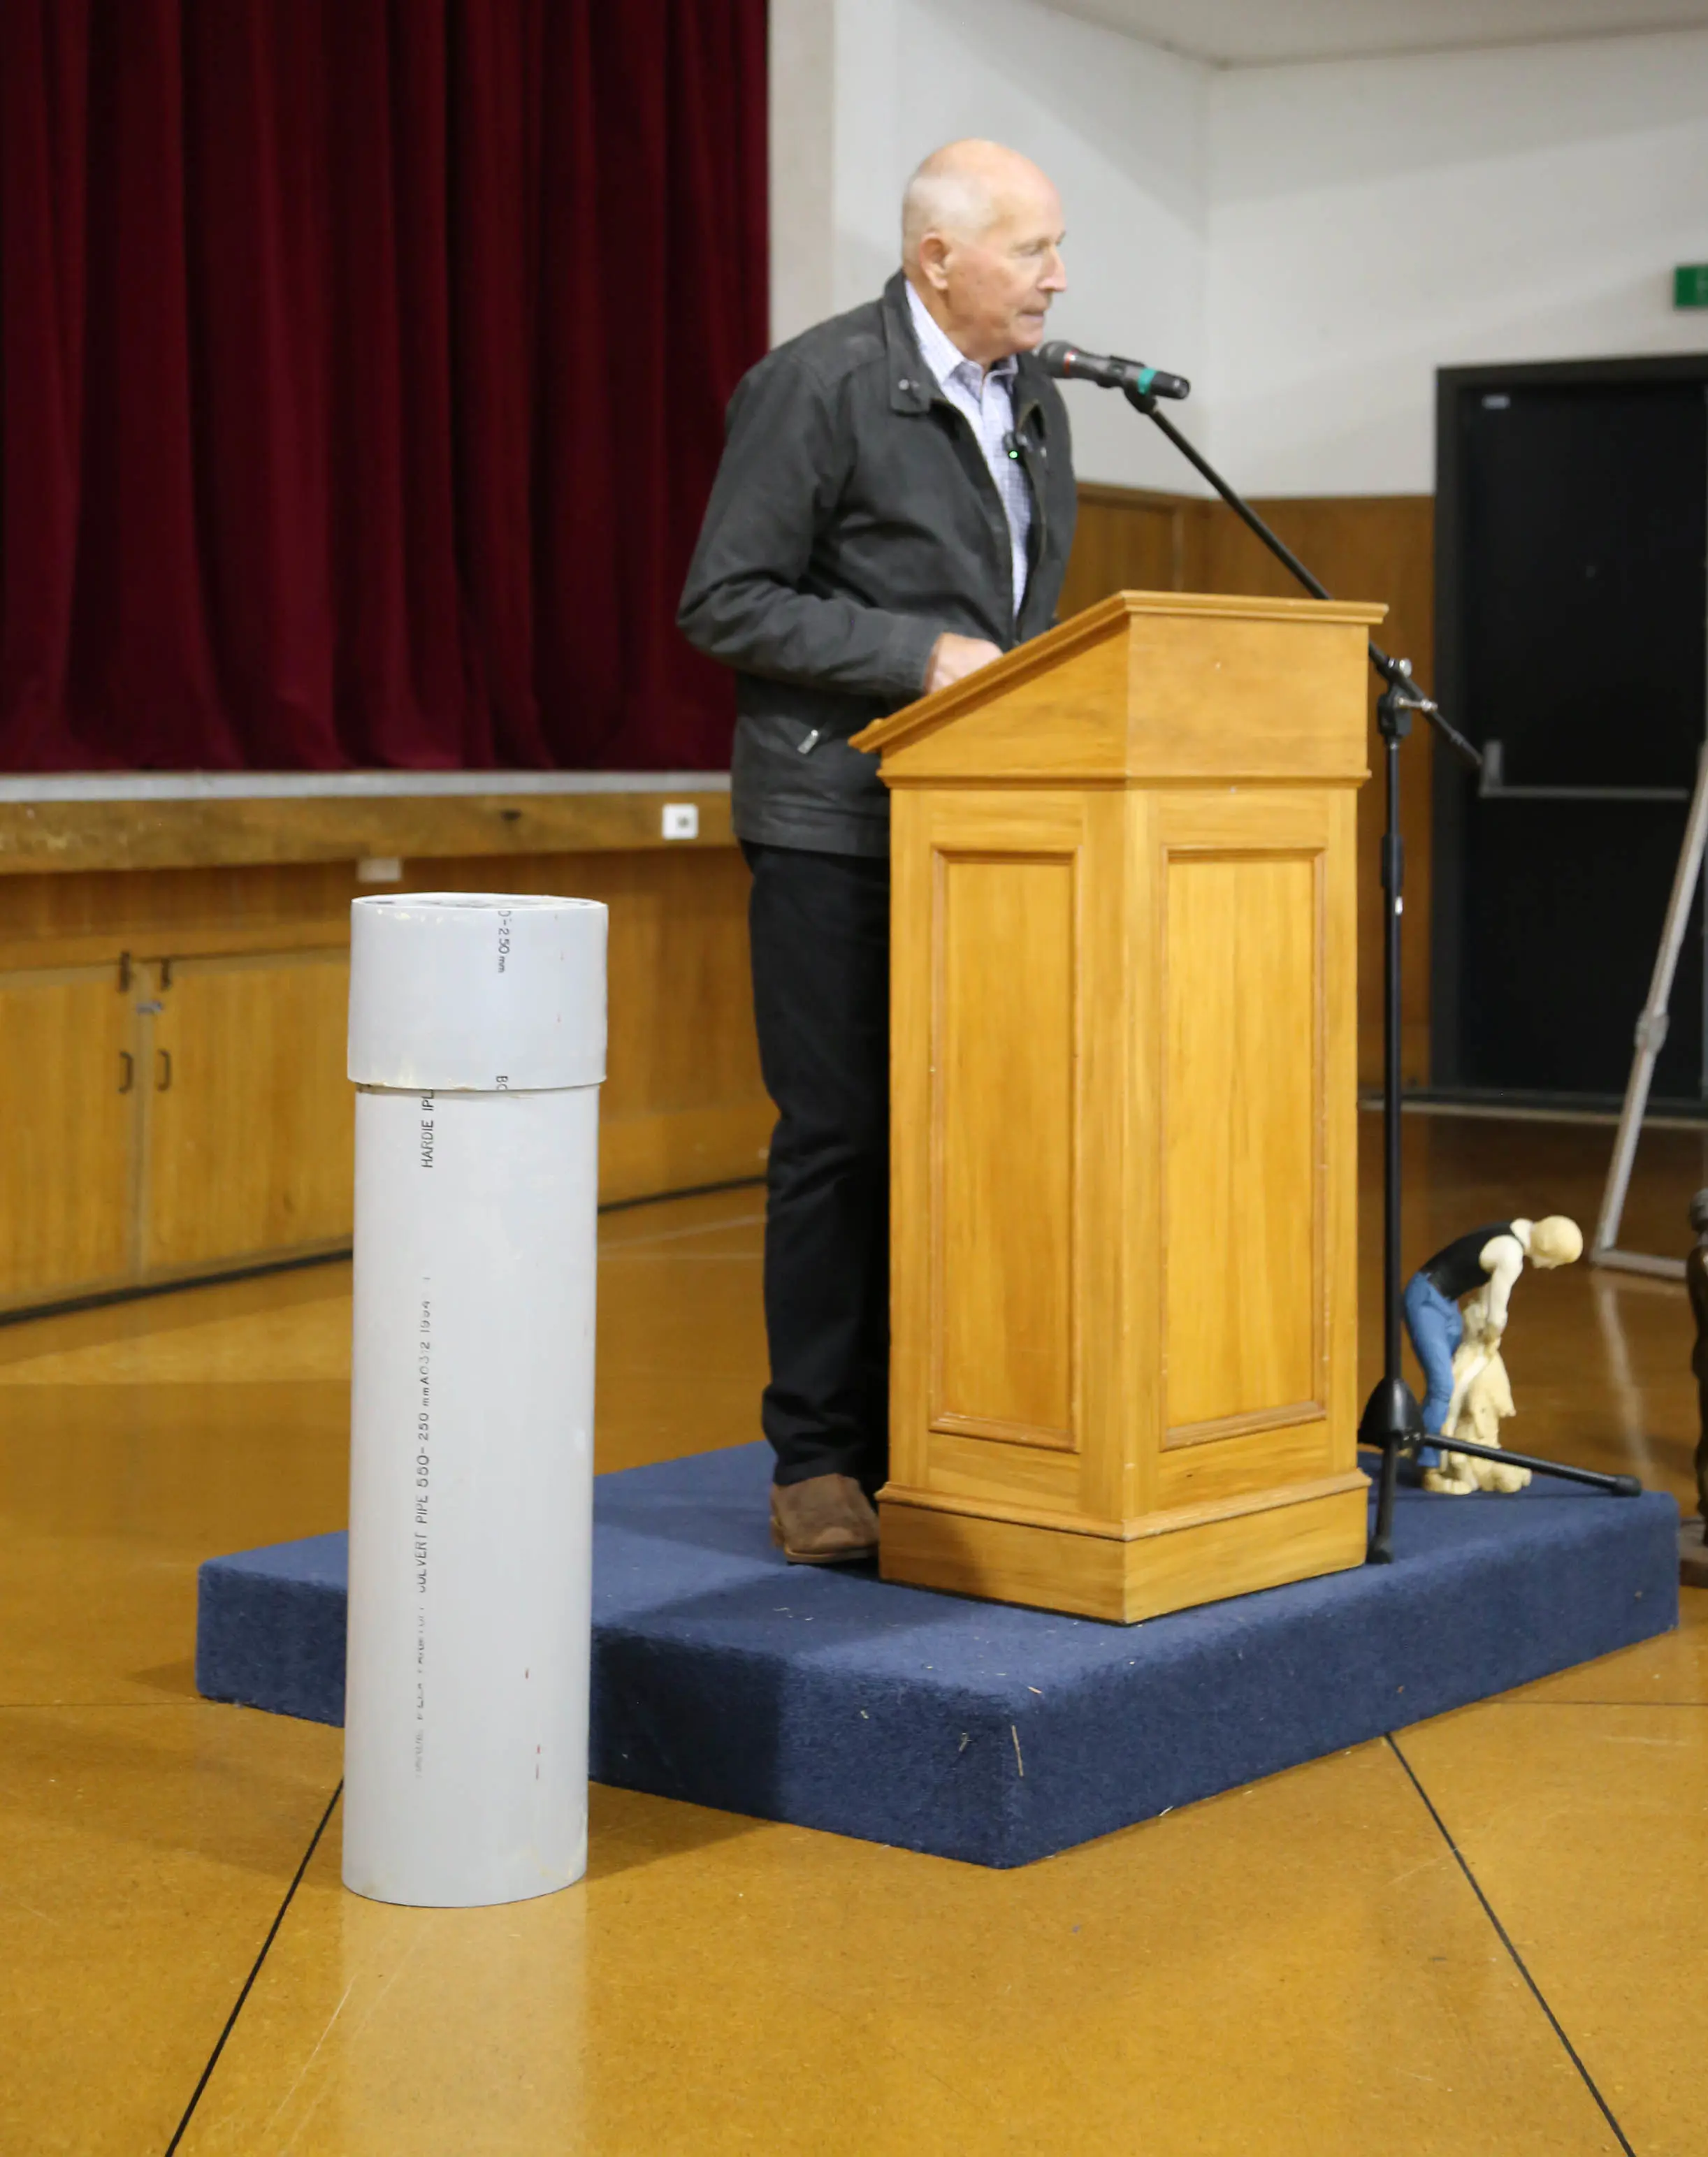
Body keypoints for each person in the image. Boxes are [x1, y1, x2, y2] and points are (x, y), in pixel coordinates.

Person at [677, 140, 1077, 1563]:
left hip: (985, 830)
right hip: (831, 821)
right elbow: (723, 599)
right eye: (1030, 249)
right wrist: (920, 654)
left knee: (962, 1135)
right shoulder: (819, 383)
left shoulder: (1033, 394)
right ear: (937, 260)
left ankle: (939, 1420)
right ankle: (819, 1458)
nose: (1055, 276)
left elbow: (1022, 613)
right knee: (840, 1138)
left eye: (1053, 248)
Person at [1402, 1216, 1582, 1469]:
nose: (1552, 1267)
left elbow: (1486, 1291)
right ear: (1548, 1249)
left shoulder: (1518, 1229)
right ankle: (1428, 1460)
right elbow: (1497, 1314)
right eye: (1556, 1261)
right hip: (1426, 1300)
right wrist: (1492, 1337)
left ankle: (1425, 1440)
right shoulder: (1510, 1255)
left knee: (1457, 1371)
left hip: (1445, 1300)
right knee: (1443, 1385)